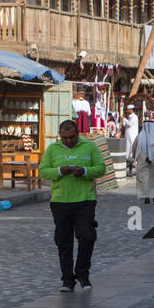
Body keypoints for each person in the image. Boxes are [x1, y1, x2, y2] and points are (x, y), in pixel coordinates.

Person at [39, 119, 106, 293]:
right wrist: (60, 171)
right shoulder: (53, 149)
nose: (68, 141)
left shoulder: (89, 147)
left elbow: (101, 168)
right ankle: (68, 280)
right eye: (65, 138)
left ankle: (83, 274)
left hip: (85, 200)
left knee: (87, 236)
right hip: (60, 201)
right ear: (60, 136)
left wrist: (84, 171)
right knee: (63, 241)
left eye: (71, 137)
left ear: (78, 134)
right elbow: (43, 171)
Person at [130, 118, 154, 203]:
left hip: (142, 161)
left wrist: (134, 156)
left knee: (143, 178)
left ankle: (145, 195)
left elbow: (134, 148)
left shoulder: (139, 137)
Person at [123, 104, 140, 174]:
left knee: (132, 150)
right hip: (128, 136)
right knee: (127, 149)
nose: (127, 111)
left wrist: (124, 119)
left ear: (131, 110)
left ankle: (132, 164)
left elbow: (130, 124)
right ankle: (127, 163)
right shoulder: (129, 117)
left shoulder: (134, 117)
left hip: (132, 136)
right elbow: (125, 125)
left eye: (128, 110)